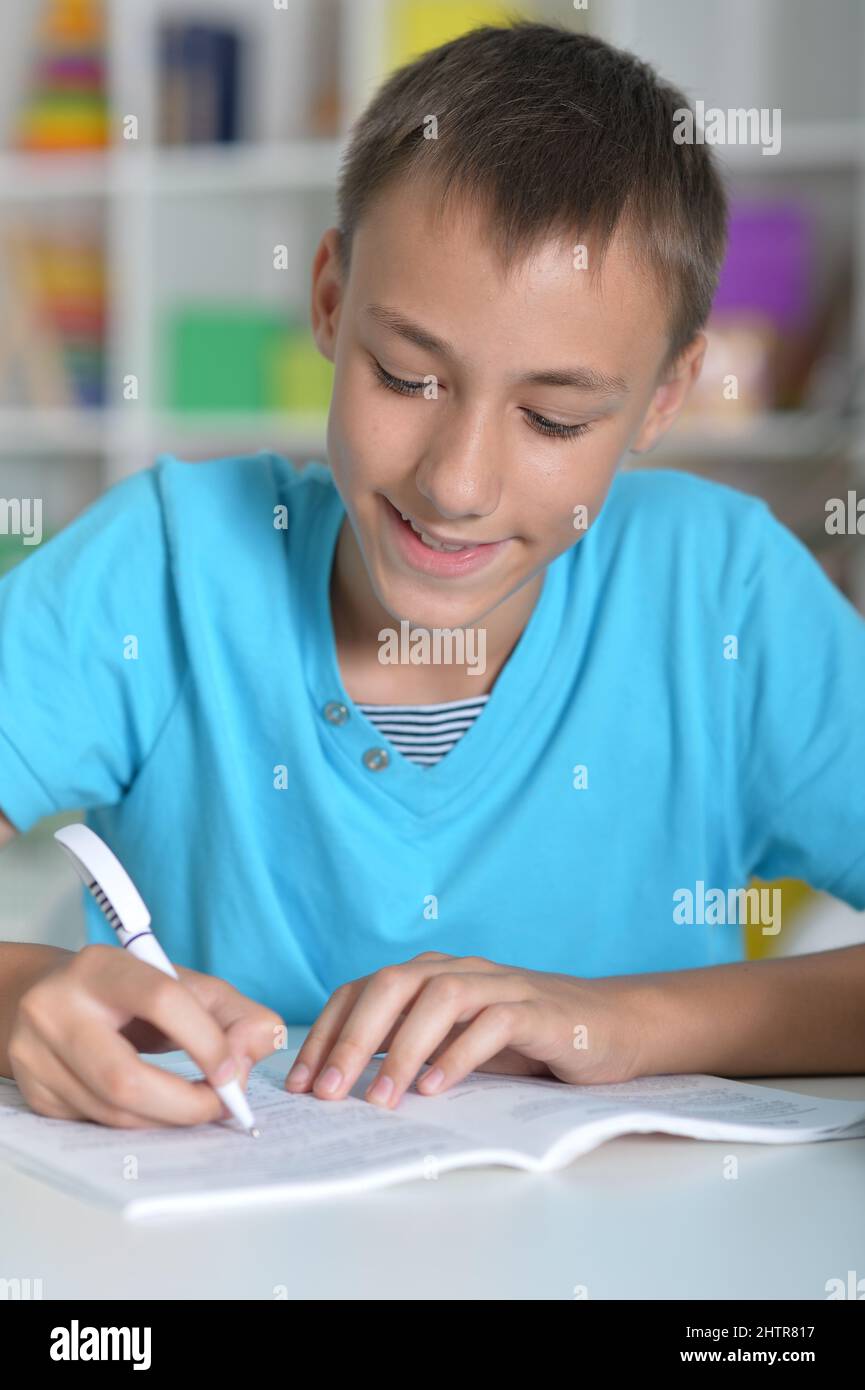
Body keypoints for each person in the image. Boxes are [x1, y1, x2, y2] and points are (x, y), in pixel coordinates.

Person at [1, 22, 863, 1129]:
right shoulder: (163, 571)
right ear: (328, 299)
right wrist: (24, 997)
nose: (457, 483)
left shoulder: (723, 594)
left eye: (554, 417)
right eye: (406, 377)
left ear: (660, 397)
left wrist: (619, 1022)